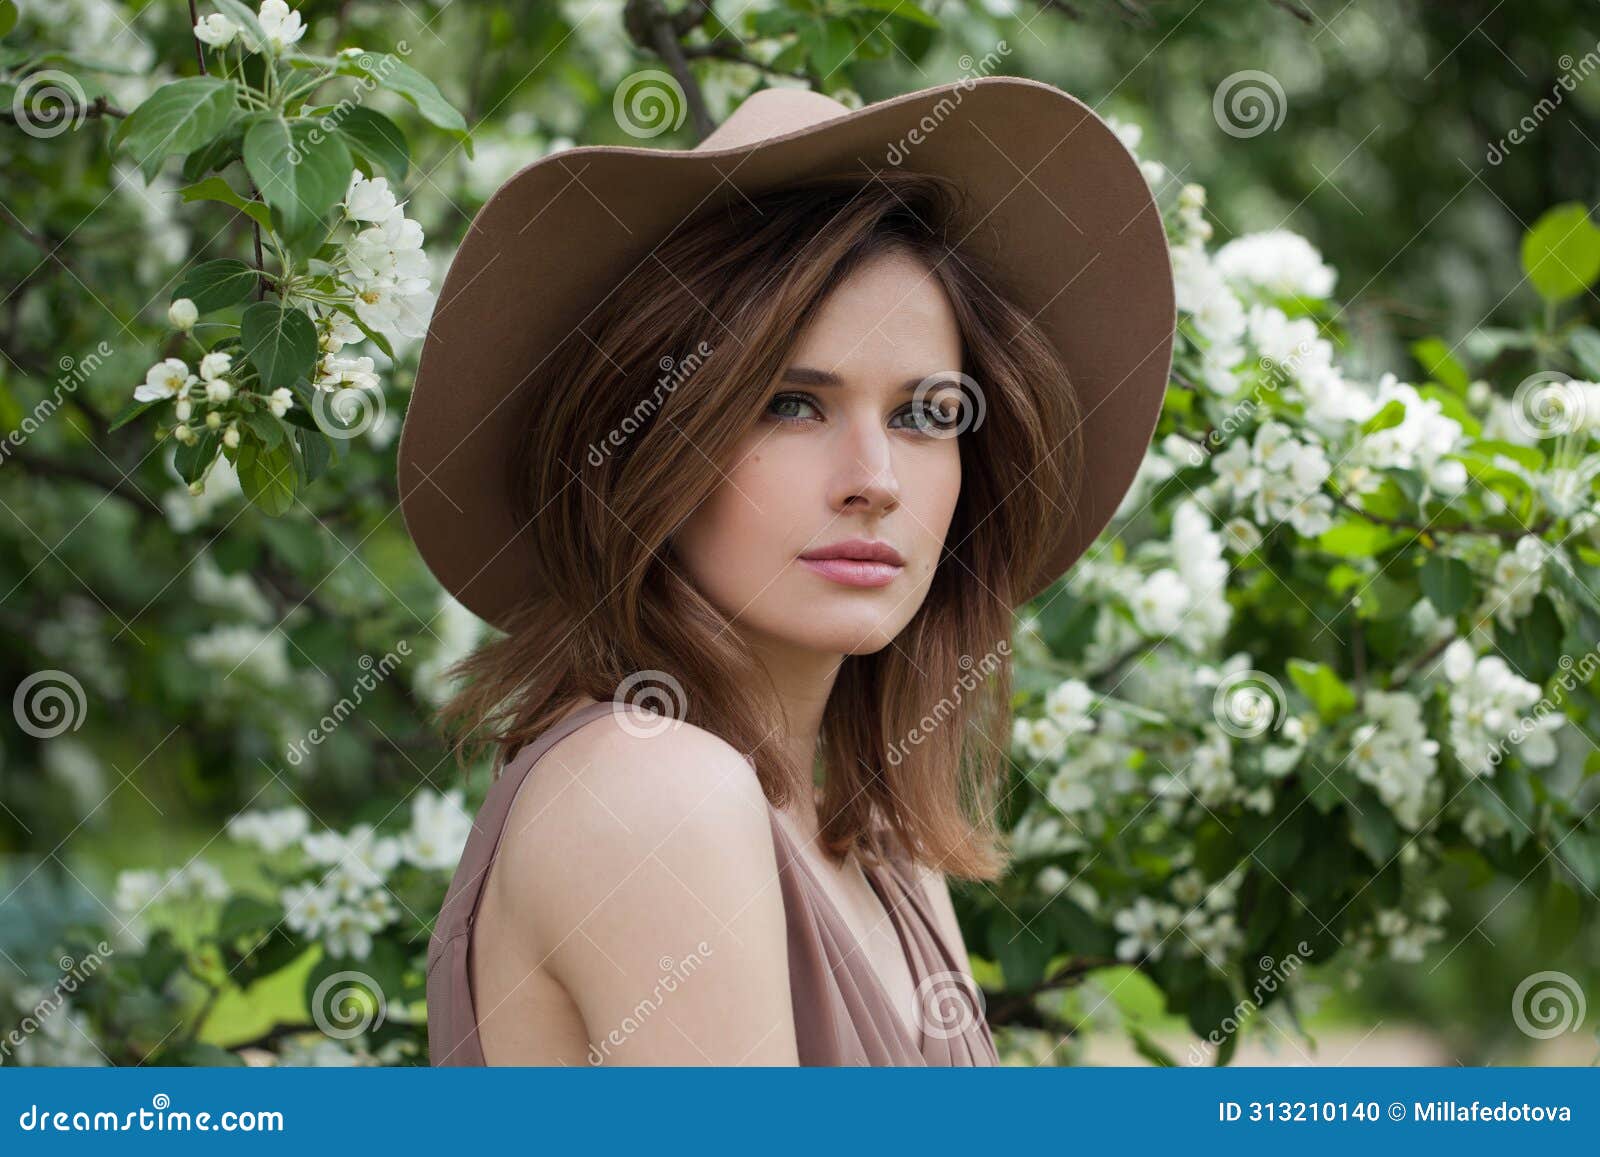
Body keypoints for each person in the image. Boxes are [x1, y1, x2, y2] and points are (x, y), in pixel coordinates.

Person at [397, 77, 1175, 1065]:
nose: (875, 481)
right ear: (649, 445)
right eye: (790, 404)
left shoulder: (879, 844)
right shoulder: (655, 790)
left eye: (926, 413)